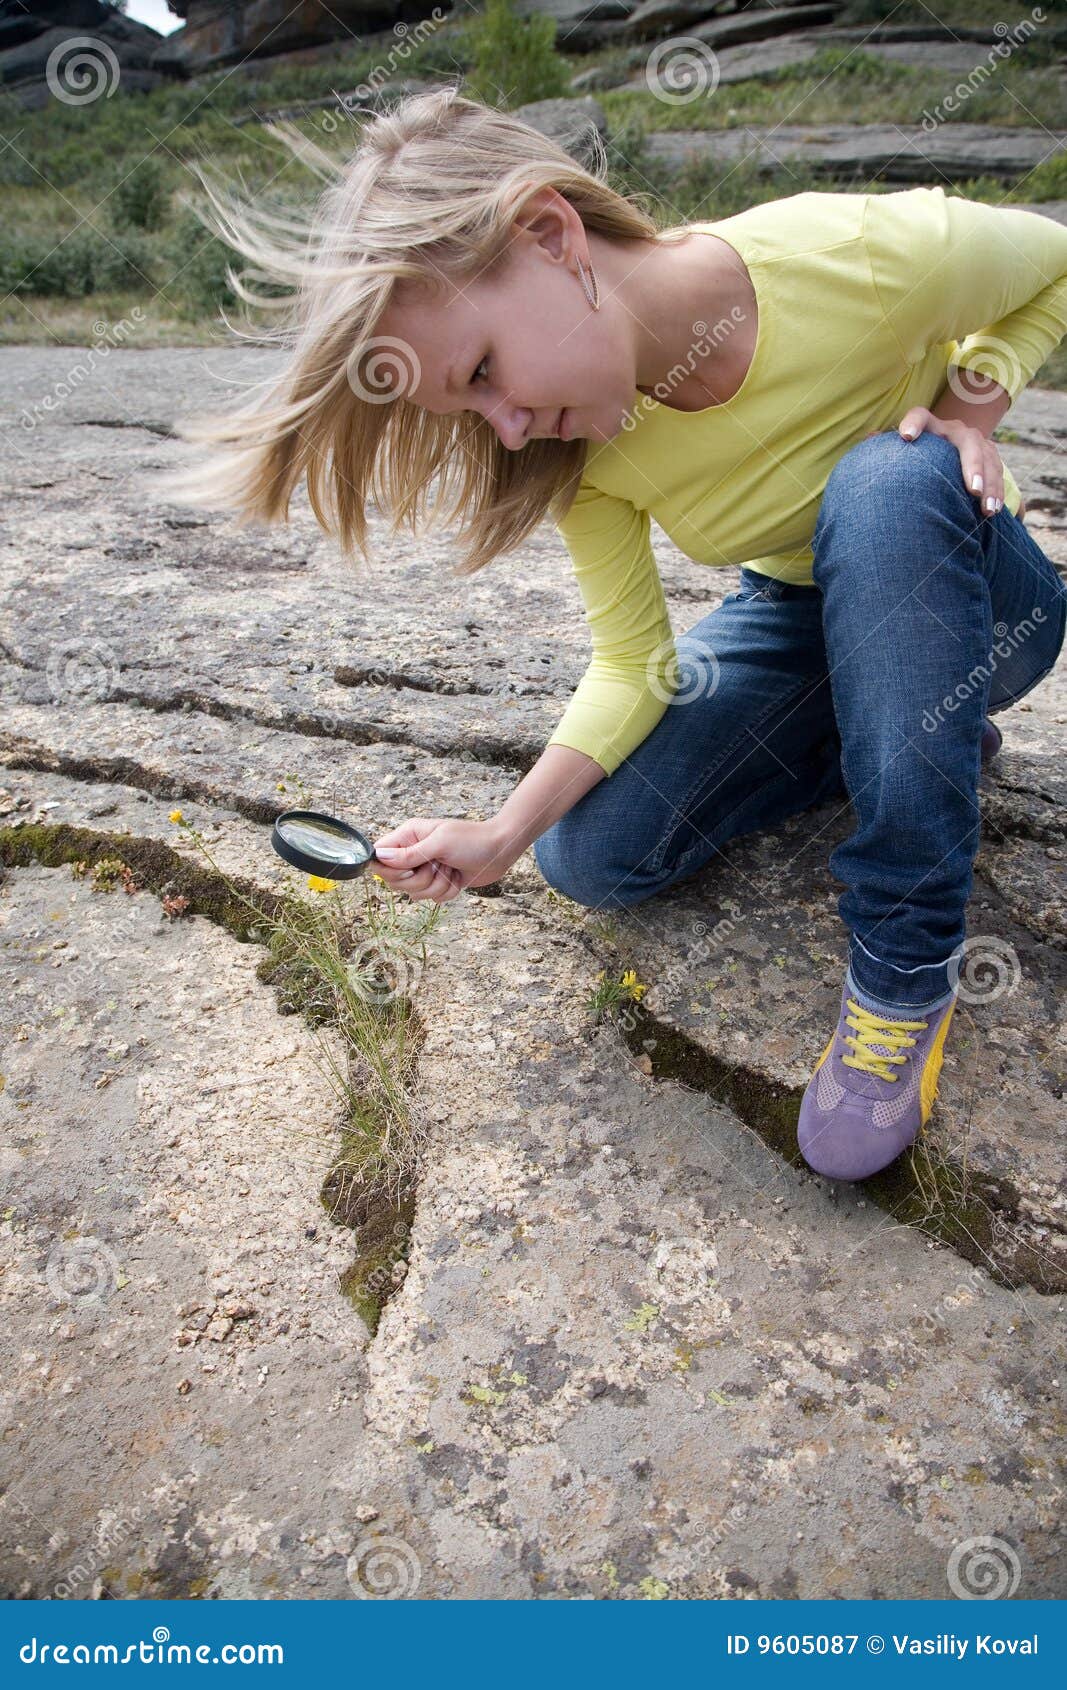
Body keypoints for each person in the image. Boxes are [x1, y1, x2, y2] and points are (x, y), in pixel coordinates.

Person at [154, 86, 1067, 1183]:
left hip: (978, 600)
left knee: (883, 478)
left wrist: (972, 406)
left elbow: (1050, 257)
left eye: (483, 372)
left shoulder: (855, 254)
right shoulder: (579, 455)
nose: (502, 425)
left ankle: (904, 966)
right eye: (469, 408)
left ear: (548, 236)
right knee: (589, 852)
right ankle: (912, 749)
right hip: (807, 614)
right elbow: (635, 663)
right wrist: (499, 835)